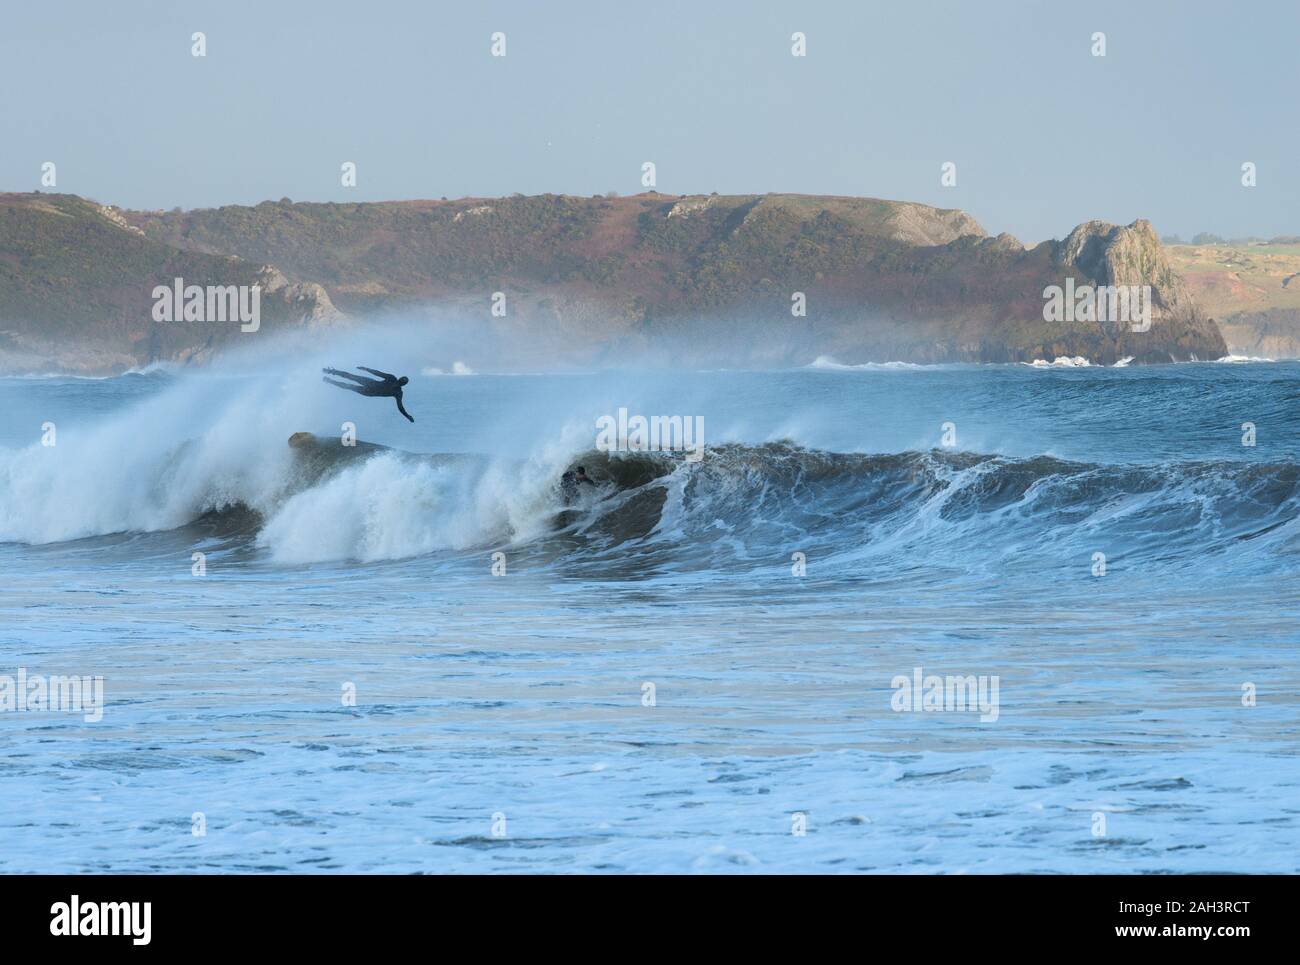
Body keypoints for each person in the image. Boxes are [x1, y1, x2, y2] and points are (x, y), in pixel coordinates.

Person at [322, 366, 414, 422]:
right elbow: (400, 407)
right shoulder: (397, 390)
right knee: (349, 381)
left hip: (368, 387)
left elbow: (377, 373)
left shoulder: (395, 385)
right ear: (403, 384)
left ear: (401, 380)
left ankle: (330, 375)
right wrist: (407, 416)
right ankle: (329, 376)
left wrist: (366, 369)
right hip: (369, 388)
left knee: (349, 381)